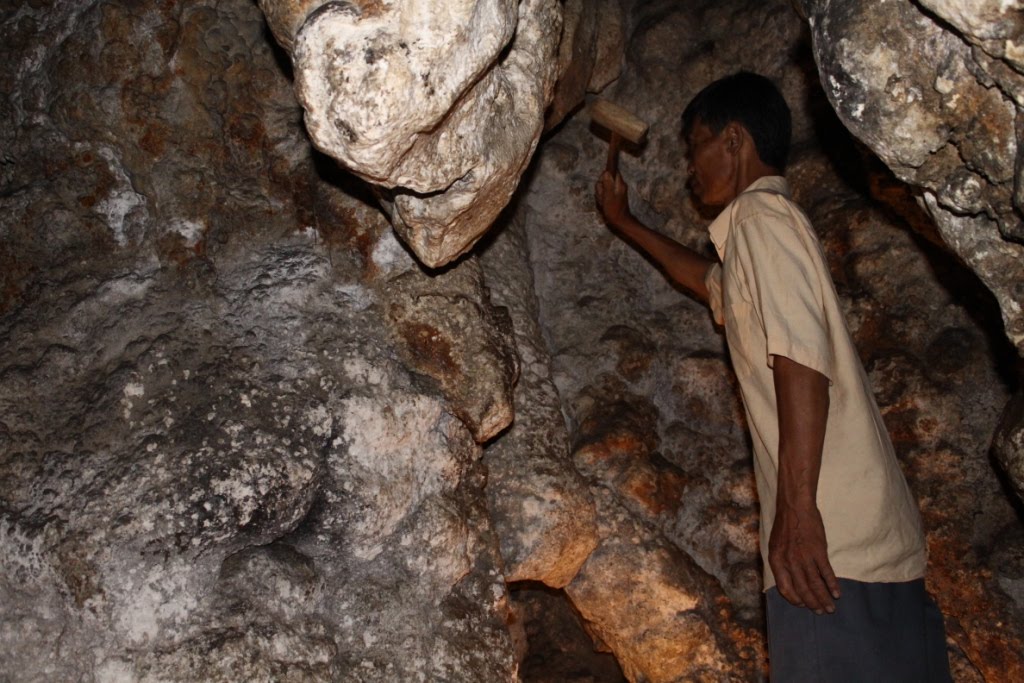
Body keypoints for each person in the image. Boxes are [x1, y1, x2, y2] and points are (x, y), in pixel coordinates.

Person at [595, 72, 952, 681]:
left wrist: (797, 513)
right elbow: (705, 280)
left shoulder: (759, 220)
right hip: (869, 548)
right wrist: (624, 221)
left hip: (828, 554)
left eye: (696, 145)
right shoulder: (768, 230)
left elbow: (799, 361)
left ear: (734, 140)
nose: (689, 167)